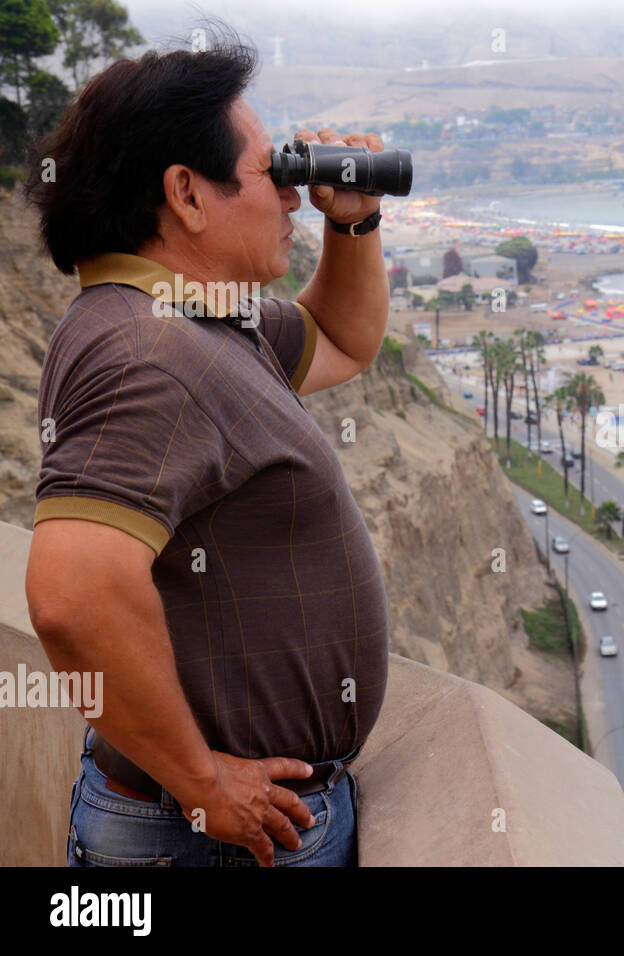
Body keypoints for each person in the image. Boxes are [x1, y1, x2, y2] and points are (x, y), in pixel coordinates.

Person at [25, 32, 391, 868]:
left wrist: (357, 221)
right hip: (204, 839)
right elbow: (70, 597)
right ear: (187, 194)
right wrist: (201, 785)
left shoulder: (199, 319)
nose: (294, 200)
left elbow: (342, 336)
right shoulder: (150, 354)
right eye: (273, 174)